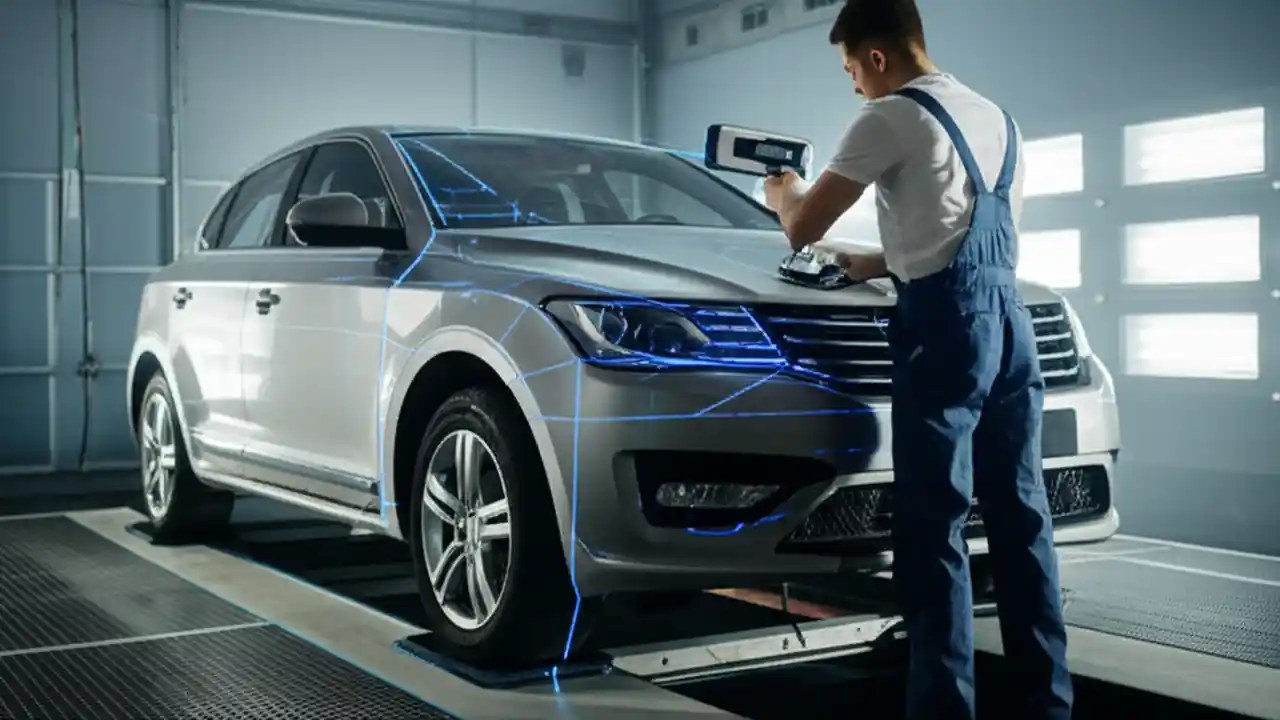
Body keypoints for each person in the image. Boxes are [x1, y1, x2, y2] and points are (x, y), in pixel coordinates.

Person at [762, 1, 1073, 718]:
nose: (852, 86)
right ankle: (1046, 703)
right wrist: (881, 260)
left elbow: (802, 226)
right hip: (1010, 326)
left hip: (946, 333)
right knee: (1022, 518)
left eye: (851, 69)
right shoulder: (998, 119)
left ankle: (942, 709)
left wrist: (783, 191)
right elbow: (964, 235)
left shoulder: (889, 116)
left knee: (934, 527)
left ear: (878, 58)